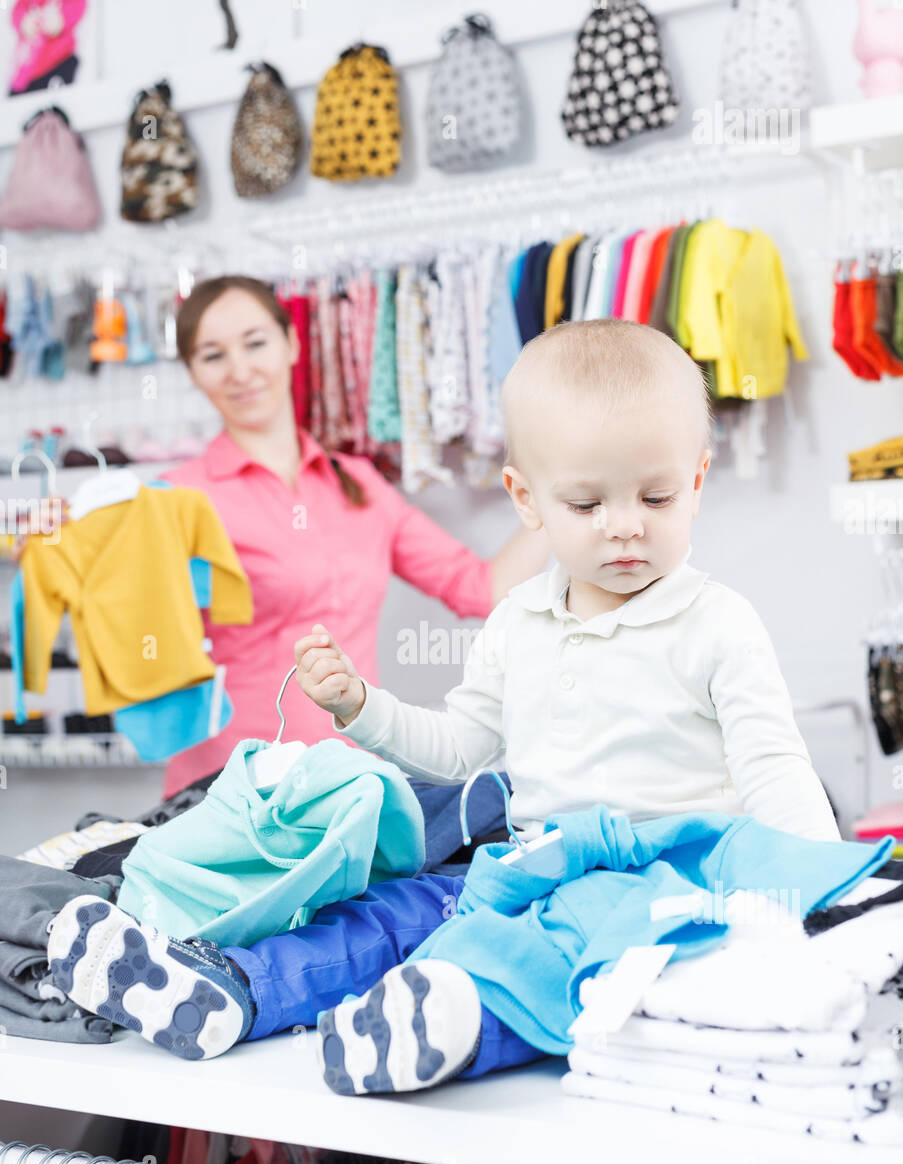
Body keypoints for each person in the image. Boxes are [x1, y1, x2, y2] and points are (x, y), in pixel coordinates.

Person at [44, 319, 847, 1076]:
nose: (624, 526)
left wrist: (834, 900)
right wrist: (361, 706)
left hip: (661, 875)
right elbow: (460, 747)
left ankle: (447, 1026)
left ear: (697, 482)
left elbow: (775, 770)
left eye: (656, 498)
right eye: (586, 503)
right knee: (399, 910)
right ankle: (232, 989)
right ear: (526, 500)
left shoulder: (716, 622)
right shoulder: (518, 620)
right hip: (528, 862)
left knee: (550, 958)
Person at [157, 275, 550, 795]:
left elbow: (485, 589)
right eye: (213, 356)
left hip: (352, 783)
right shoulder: (172, 498)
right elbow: (130, 627)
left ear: (292, 343)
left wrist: (558, 496)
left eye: (256, 343)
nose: (241, 371)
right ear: (192, 372)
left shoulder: (360, 485)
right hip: (229, 789)